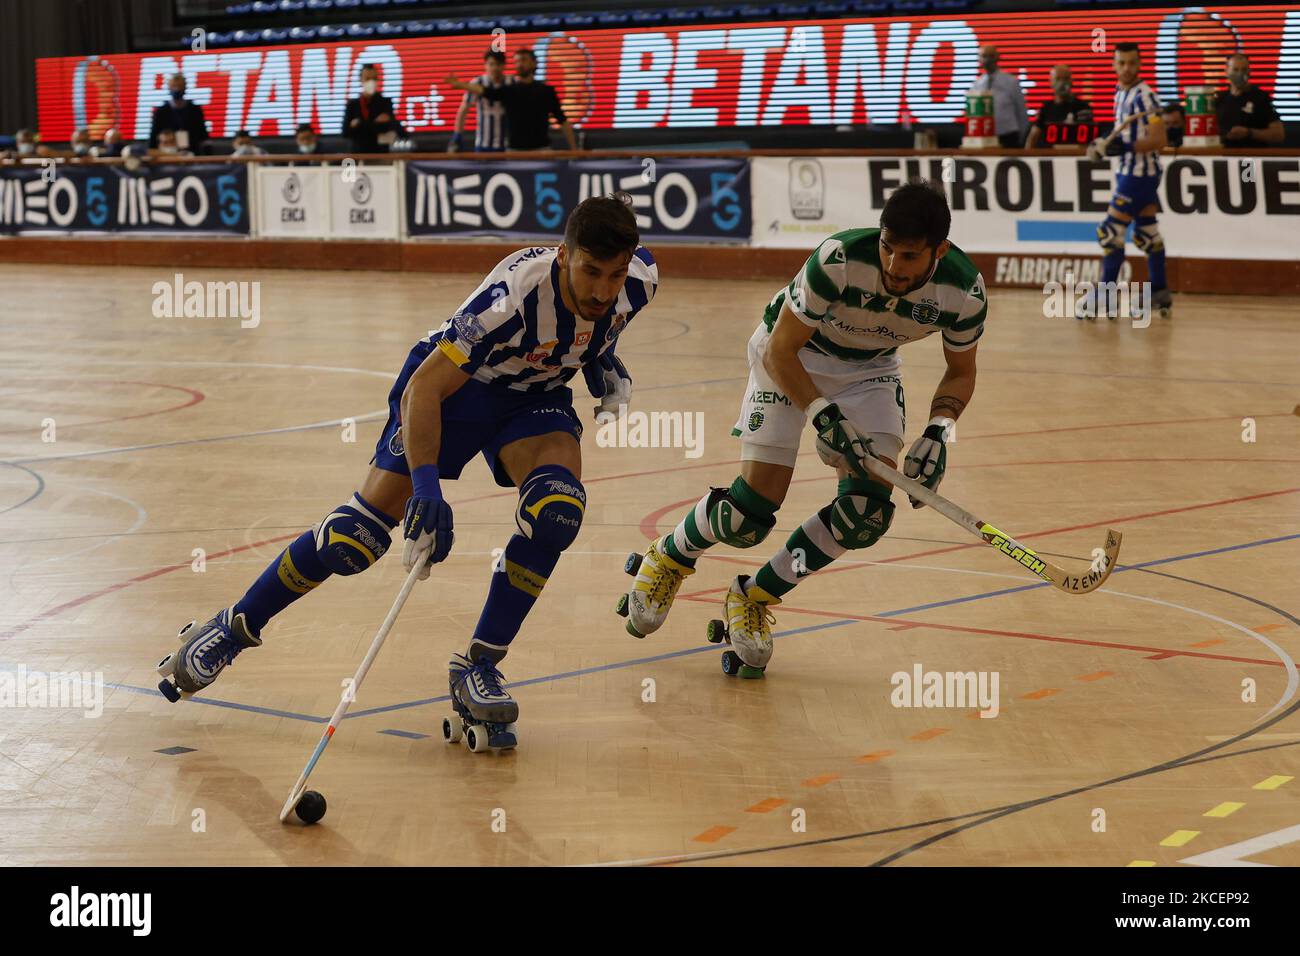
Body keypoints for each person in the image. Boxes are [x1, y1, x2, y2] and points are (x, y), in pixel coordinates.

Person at [155, 194, 659, 752]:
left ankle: (479, 666)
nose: (602, 290)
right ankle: (231, 627)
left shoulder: (639, 284)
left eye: (615, 275)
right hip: (454, 394)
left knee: (556, 513)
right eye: (591, 272)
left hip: (531, 404)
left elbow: (592, 325)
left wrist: (601, 358)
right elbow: (426, 386)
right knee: (355, 538)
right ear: (564, 256)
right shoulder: (511, 295)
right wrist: (425, 488)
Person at [618, 182, 986, 677]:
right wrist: (821, 413)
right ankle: (669, 556)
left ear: (940, 251)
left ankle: (755, 596)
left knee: (866, 515)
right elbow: (779, 349)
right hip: (792, 357)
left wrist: (939, 430)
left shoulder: (964, 292)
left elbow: (961, 370)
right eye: (887, 248)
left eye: (910, 256)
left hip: (871, 371)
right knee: (747, 516)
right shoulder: (838, 259)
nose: (895, 266)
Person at [1079, 42, 1170, 321]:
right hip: (1130, 172)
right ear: (1114, 64)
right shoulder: (1120, 92)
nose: (1126, 68)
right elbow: (1126, 136)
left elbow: (1159, 140)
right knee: (1147, 233)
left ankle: (1105, 295)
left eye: (1132, 62)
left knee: (1109, 232)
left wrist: (1125, 147)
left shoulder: (1146, 96)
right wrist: (1106, 144)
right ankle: (1159, 292)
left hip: (1139, 175)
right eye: (1121, 63)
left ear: (1139, 64)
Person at [446, 49, 578, 152]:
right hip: (506, 149)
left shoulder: (543, 90)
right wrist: (460, 84)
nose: (495, 68)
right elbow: (486, 93)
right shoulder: (506, 89)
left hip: (537, 149)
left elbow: (562, 119)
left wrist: (574, 150)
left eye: (524, 60)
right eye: (517, 61)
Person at [449, 49, 511, 153]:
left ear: (504, 65)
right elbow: (463, 110)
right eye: (491, 64)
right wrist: (457, 136)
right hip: (483, 144)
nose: (495, 68)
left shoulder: (512, 82)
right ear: (485, 65)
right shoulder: (477, 82)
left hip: (507, 144)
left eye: (498, 64)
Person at [1217, 53, 1284, 148]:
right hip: (1224, 157)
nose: (1240, 74)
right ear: (1226, 71)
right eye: (1235, 69)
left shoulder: (1261, 98)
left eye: (1243, 69)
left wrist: (1249, 133)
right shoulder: (1219, 99)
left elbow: (1279, 135)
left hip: (1253, 157)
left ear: (1249, 71)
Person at [968, 45, 1028, 147]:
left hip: (1008, 136)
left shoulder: (1011, 82)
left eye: (991, 56)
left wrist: (1023, 138)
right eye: (984, 56)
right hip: (985, 137)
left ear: (998, 57)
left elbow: (1021, 112)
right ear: (979, 59)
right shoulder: (976, 85)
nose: (988, 60)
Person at [1024, 64, 1093, 149]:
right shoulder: (1046, 108)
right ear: (1051, 82)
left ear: (1072, 81)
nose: (1062, 83)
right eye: (1058, 79)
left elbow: (1087, 142)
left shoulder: (1082, 107)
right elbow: (1033, 137)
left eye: (1065, 78)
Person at [343, 63, 397, 154]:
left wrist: (359, 124)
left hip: (380, 154)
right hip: (358, 154)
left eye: (374, 78)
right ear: (361, 80)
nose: (371, 82)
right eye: (367, 78)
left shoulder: (385, 103)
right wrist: (375, 123)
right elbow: (345, 132)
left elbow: (390, 128)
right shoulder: (353, 104)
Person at [149, 73, 209, 153]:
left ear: (185, 88)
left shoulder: (195, 110)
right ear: (169, 88)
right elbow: (153, 138)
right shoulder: (161, 112)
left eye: (179, 86)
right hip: (168, 155)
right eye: (174, 86)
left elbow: (203, 136)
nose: (177, 89)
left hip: (192, 153)